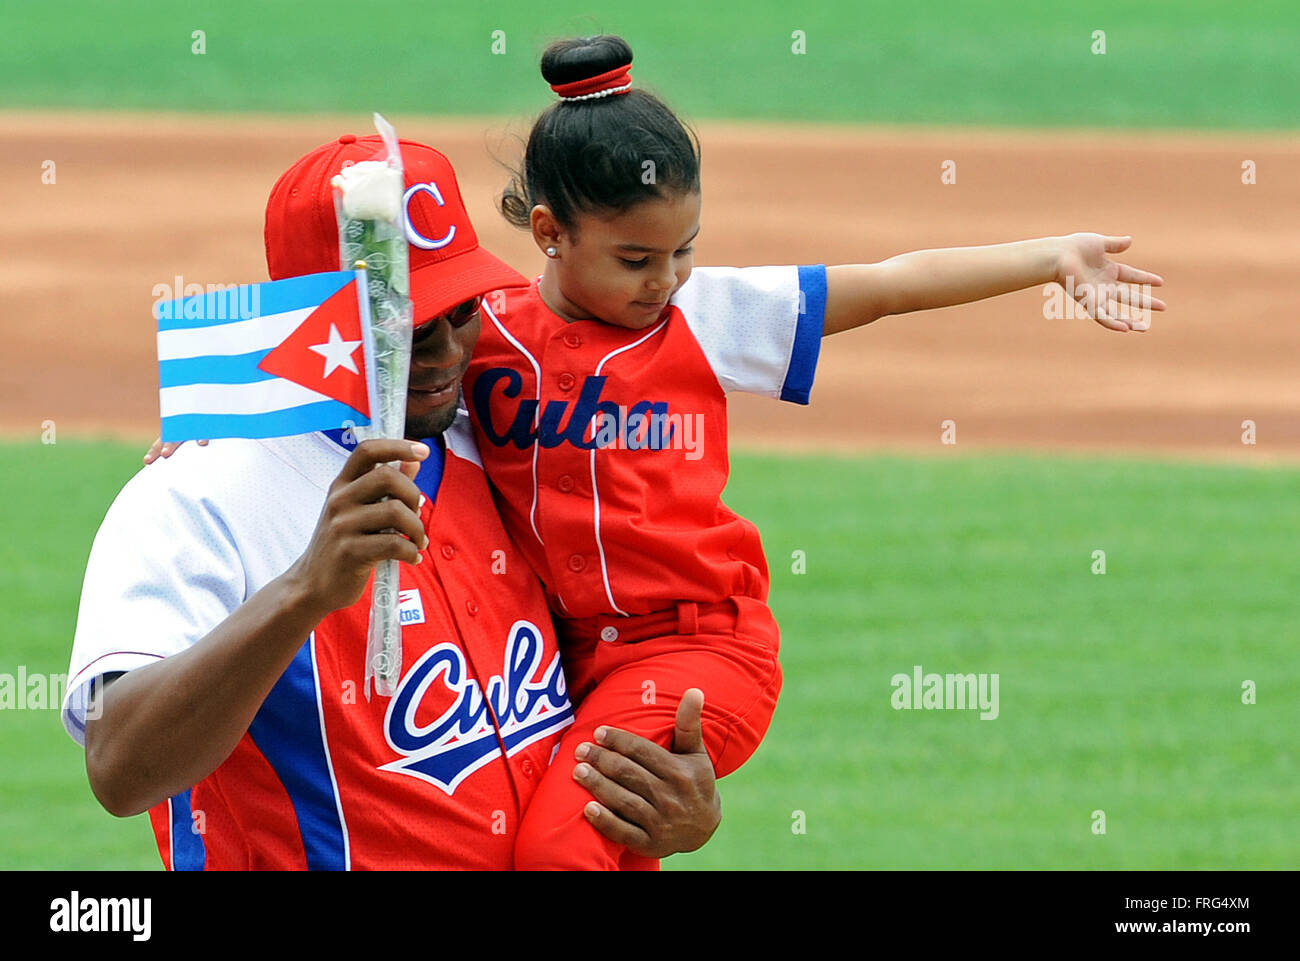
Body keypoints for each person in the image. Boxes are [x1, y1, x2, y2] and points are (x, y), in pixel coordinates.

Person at [462, 34, 1168, 871]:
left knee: (557, 849)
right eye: (636, 259)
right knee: (585, 840)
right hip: (552, 663)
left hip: (697, 648)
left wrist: (1049, 258)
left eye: (684, 249)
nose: (667, 279)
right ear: (549, 231)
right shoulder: (482, 334)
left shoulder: (707, 316)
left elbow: (891, 283)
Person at [65, 134, 722, 869]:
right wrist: (304, 592)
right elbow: (119, 767)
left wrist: (669, 800)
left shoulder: (510, 444)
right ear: (317, 320)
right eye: (404, 328)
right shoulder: (198, 497)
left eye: (464, 308)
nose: (445, 351)